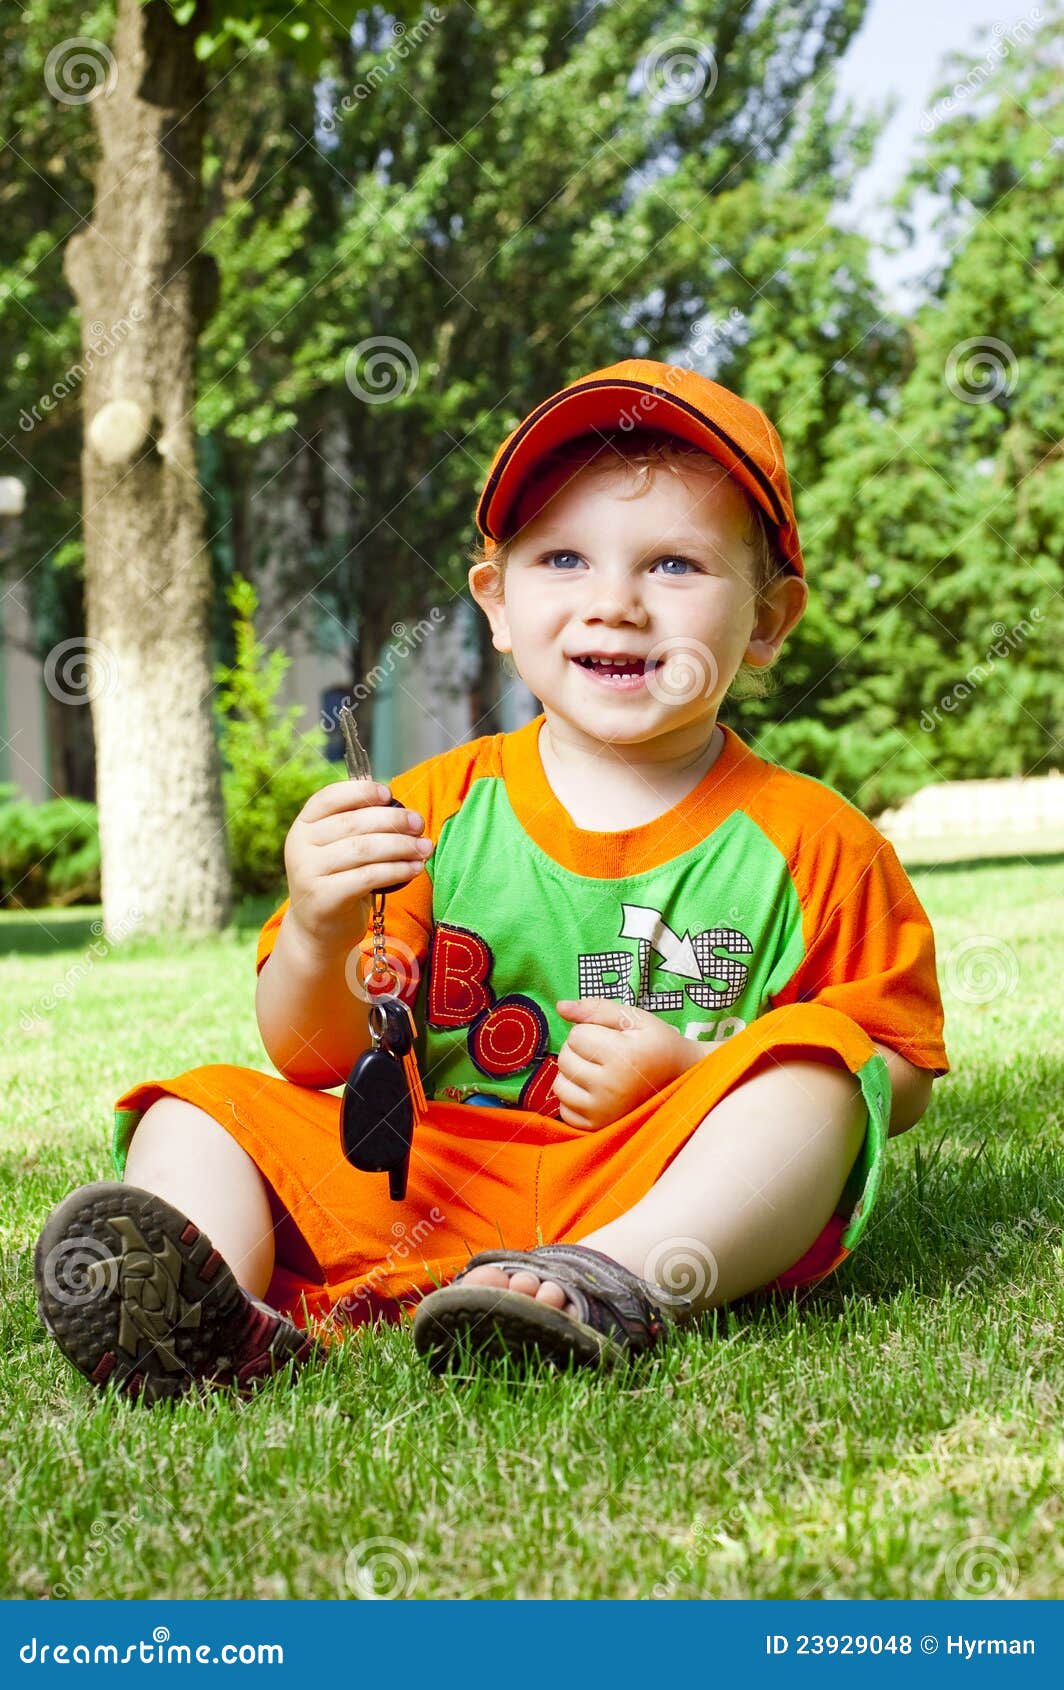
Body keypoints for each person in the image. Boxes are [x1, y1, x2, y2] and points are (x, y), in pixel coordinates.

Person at [34, 359, 949, 1400]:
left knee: (820, 1067)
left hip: (657, 1186)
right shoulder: (428, 812)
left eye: (673, 567)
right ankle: (215, 1319)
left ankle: (614, 1283)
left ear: (770, 620)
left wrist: (697, 1071)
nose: (613, 604)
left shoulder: (811, 839)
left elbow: (896, 1080)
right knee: (192, 1107)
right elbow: (309, 1053)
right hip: (420, 1181)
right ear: (497, 604)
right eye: (562, 558)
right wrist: (322, 928)